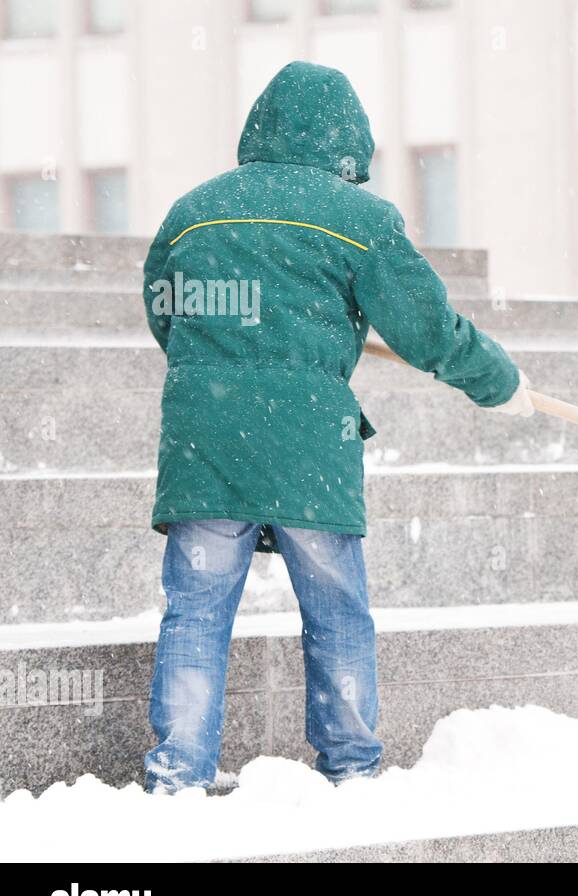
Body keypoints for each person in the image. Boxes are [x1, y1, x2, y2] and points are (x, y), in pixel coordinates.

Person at [140, 61, 533, 793]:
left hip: (203, 444)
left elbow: (165, 307)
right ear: (347, 142)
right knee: (337, 612)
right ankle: (352, 765)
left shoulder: (191, 212)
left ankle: (177, 774)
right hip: (310, 449)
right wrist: (498, 381)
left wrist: (223, 364)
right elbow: (428, 330)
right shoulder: (362, 219)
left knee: (193, 612)